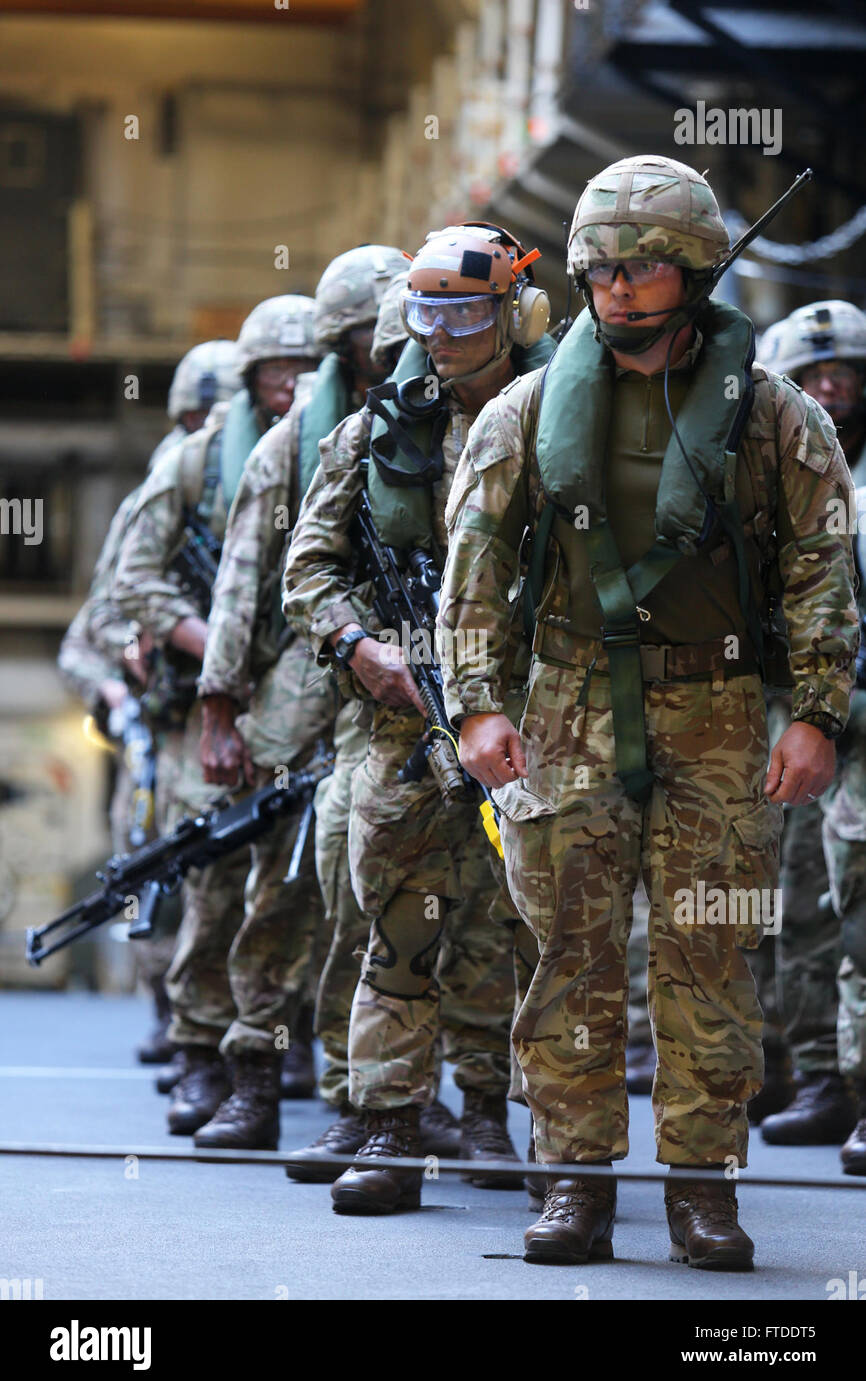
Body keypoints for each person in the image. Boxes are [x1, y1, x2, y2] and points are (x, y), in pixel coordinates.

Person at [436, 156, 858, 1268]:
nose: (618, 289)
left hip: (720, 714)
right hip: (567, 704)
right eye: (601, 268)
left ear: (696, 274)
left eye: (644, 269)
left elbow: (821, 573)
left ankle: (702, 1189)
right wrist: (476, 706)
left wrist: (814, 712)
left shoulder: (776, 421)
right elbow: (472, 571)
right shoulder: (525, 413)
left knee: (709, 954)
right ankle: (570, 1180)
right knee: (568, 954)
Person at [284, 222, 556, 1214]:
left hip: (534, 711)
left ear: (515, 315)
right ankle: (391, 1124)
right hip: (404, 721)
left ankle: (492, 1111)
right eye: (423, 314)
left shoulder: (564, 420)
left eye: (463, 313)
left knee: (521, 924)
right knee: (400, 925)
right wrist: (360, 645)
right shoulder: (367, 434)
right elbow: (307, 571)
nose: (438, 335)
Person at [193, 246, 408, 1148]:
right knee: (279, 893)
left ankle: (380, 1087)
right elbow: (243, 580)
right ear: (345, 343)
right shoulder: (290, 444)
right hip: (295, 693)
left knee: (379, 894)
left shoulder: (428, 427)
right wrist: (220, 707)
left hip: (396, 690)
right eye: (375, 333)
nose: (397, 345)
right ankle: (250, 1074)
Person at [113, 296, 321, 1140]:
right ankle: (200, 1050)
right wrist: (217, 659)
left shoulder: (339, 440)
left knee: (314, 881)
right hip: (224, 692)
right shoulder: (197, 464)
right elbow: (133, 579)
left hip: (319, 690)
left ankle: (301, 1050)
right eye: (280, 368)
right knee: (216, 872)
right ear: (252, 375)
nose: (294, 383)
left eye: (311, 366)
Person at [58, 340, 240, 1066]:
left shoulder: (282, 474)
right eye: (200, 415)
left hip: (252, 711)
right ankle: (174, 1013)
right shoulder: (162, 493)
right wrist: (116, 680)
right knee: (153, 861)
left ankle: (261, 1032)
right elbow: (90, 630)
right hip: (166, 723)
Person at [757, 301, 866, 1170]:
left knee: (858, 897)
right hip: (794, 711)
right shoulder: (768, 465)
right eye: (817, 375)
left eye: (847, 375)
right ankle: (819, 1074)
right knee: (797, 897)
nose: (833, 388)